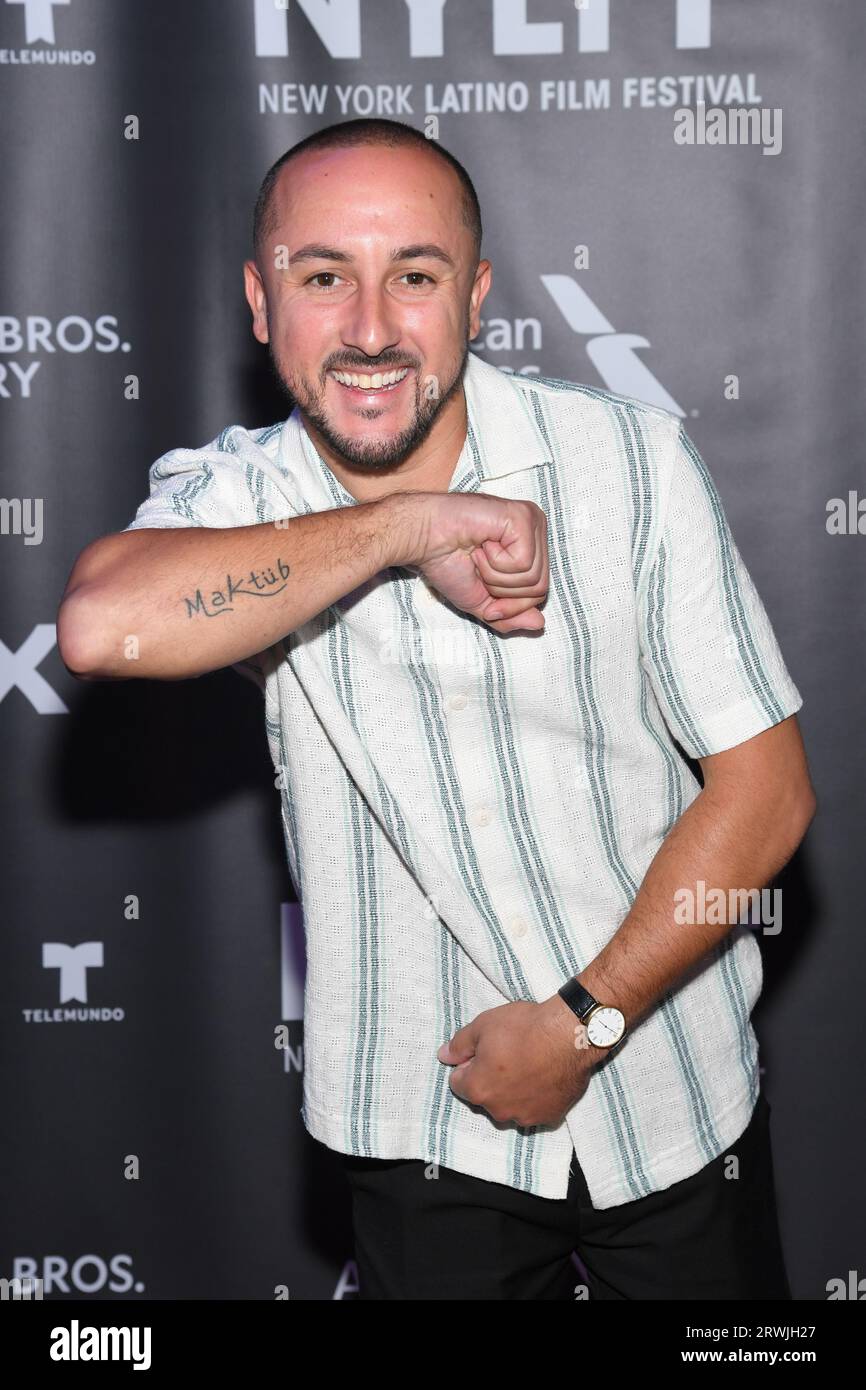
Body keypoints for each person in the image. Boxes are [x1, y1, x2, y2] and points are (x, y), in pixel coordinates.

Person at [57, 118, 816, 1300]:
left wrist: (581, 1025)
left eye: (413, 276)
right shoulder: (239, 494)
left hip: (669, 1086)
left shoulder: (626, 460)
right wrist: (415, 529)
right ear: (261, 304)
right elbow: (102, 628)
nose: (368, 329)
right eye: (323, 278)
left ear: (475, 297)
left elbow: (766, 790)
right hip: (416, 1115)